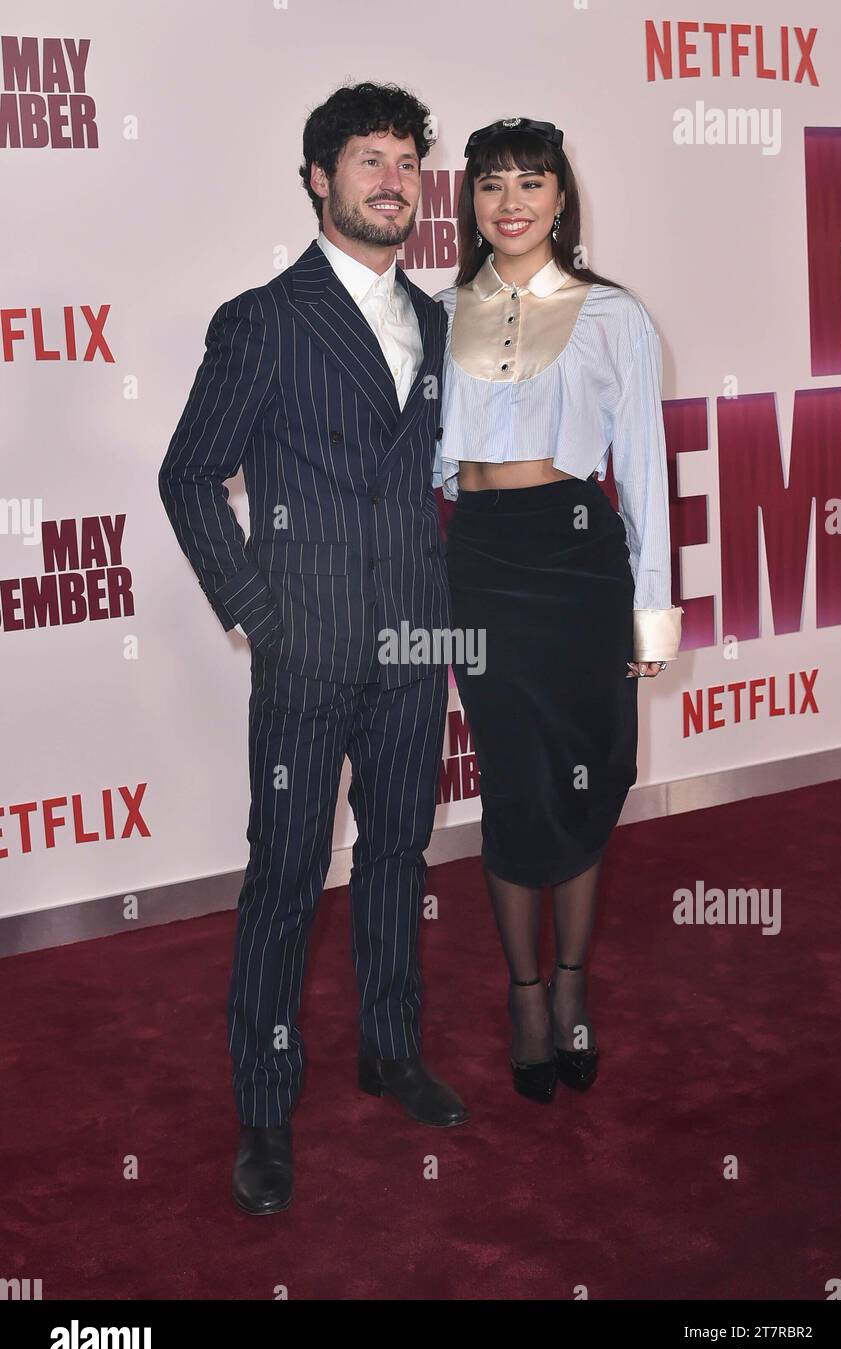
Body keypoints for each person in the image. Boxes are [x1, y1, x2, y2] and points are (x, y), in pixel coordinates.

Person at [158, 82, 468, 1217]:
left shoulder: (435, 320)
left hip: (411, 642)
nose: (392, 180)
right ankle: (264, 1104)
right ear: (316, 181)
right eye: (367, 160)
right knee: (285, 878)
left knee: (396, 858)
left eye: (405, 162)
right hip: (305, 652)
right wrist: (259, 611)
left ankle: (389, 1049)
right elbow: (188, 475)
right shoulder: (263, 319)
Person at [433, 116, 683, 1104]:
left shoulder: (612, 314)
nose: (509, 202)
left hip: (578, 557)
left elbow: (647, 476)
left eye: (529, 182)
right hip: (483, 558)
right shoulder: (435, 311)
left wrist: (649, 616)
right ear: (470, 202)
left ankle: (572, 980)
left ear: (558, 197)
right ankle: (524, 994)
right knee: (513, 779)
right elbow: (420, 458)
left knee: (589, 775)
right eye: (490, 184)